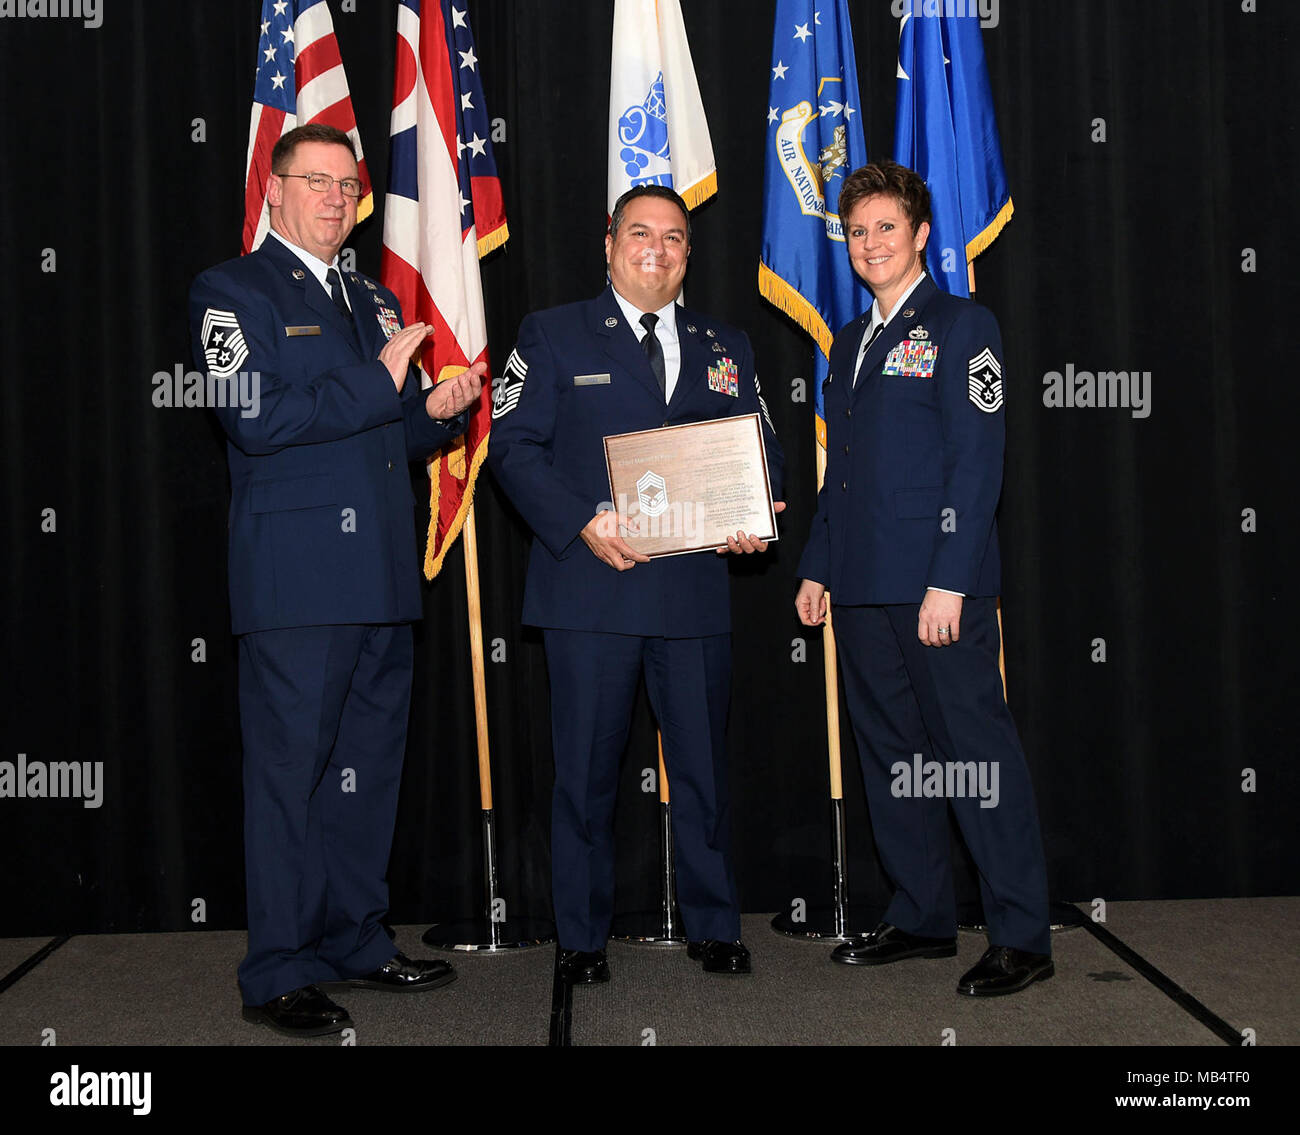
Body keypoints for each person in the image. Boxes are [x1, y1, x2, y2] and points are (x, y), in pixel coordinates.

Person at [189, 123, 485, 1036]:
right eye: (312, 181)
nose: (332, 197)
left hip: (384, 578)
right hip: (296, 584)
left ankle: (357, 936)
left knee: (365, 771)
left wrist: (432, 414)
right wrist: (374, 383)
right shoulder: (230, 290)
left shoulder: (373, 300)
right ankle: (277, 965)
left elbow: (379, 439)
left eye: (346, 185)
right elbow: (252, 418)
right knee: (290, 777)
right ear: (272, 191)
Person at [488, 185, 784, 983]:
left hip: (692, 597)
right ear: (610, 243)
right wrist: (581, 520)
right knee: (583, 778)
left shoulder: (726, 344)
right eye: (641, 233)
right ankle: (580, 938)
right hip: (591, 589)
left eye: (675, 237)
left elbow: (759, 443)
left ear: (689, 253)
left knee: (702, 771)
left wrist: (758, 507)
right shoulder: (550, 335)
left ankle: (714, 924)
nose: (658, 247)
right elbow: (512, 447)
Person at [795, 161, 1052, 997]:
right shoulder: (846, 339)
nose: (871, 243)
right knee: (893, 758)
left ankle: (1021, 933)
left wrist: (950, 581)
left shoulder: (964, 326)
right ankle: (921, 914)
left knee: (975, 757)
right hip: (863, 588)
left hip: (941, 589)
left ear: (922, 236)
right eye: (858, 230)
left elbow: (978, 468)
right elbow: (844, 473)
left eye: (886, 229)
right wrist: (817, 566)